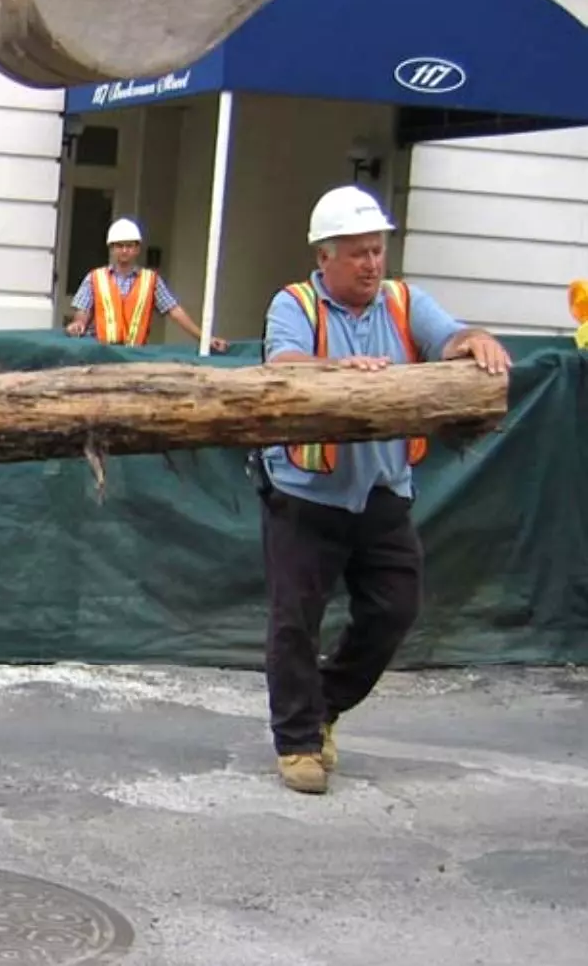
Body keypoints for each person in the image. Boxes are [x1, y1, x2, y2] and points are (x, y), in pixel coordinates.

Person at [255, 185, 510, 795]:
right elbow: (283, 364)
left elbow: (448, 335)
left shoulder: (403, 301)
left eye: (377, 251)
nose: (372, 264)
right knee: (295, 622)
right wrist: (333, 371)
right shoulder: (294, 305)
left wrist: (471, 340)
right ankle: (297, 744)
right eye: (358, 253)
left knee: (395, 609)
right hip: (303, 495)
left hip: (383, 493)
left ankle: (324, 705)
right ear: (325, 258)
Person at [65, 217, 228, 352]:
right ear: (112, 249)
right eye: (119, 246)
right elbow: (83, 310)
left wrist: (204, 338)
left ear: (137, 249)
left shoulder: (151, 280)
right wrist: (79, 324)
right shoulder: (95, 277)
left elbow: (174, 311)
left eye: (129, 245)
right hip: (103, 354)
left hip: (136, 356)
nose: (124, 250)